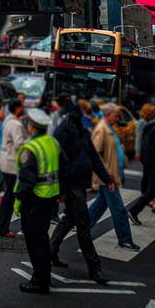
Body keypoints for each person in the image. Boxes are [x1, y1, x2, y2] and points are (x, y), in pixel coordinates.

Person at [49, 99, 114, 283]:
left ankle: (50, 252)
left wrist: (106, 178)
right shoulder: (65, 132)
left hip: (77, 184)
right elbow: (59, 162)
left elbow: (93, 157)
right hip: (72, 184)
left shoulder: (81, 132)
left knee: (69, 220)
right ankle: (94, 268)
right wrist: (60, 189)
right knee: (83, 227)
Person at [13, 108, 66, 295]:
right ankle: (44, 277)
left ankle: (39, 281)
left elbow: (26, 181)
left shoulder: (30, 149)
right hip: (50, 198)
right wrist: (62, 192)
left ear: (32, 127)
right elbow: (65, 167)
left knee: (35, 242)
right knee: (42, 237)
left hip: (34, 201)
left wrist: (18, 201)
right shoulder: (53, 143)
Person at [89, 103, 140, 250]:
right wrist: (106, 173)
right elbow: (95, 154)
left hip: (111, 176)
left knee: (99, 205)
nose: (118, 118)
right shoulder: (101, 129)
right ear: (107, 114)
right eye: (116, 115)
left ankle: (83, 228)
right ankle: (124, 239)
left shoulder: (109, 128)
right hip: (107, 178)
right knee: (119, 209)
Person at [0, 98, 26, 238]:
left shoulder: (8, 120)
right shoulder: (16, 124)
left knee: (8, 195)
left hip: (6, 161)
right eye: (21, 106)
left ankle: (1, 226)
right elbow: (19, 143)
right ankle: (2, 227)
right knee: (10, 196)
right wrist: (30, 141)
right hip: (12, 162)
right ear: (17, 108)